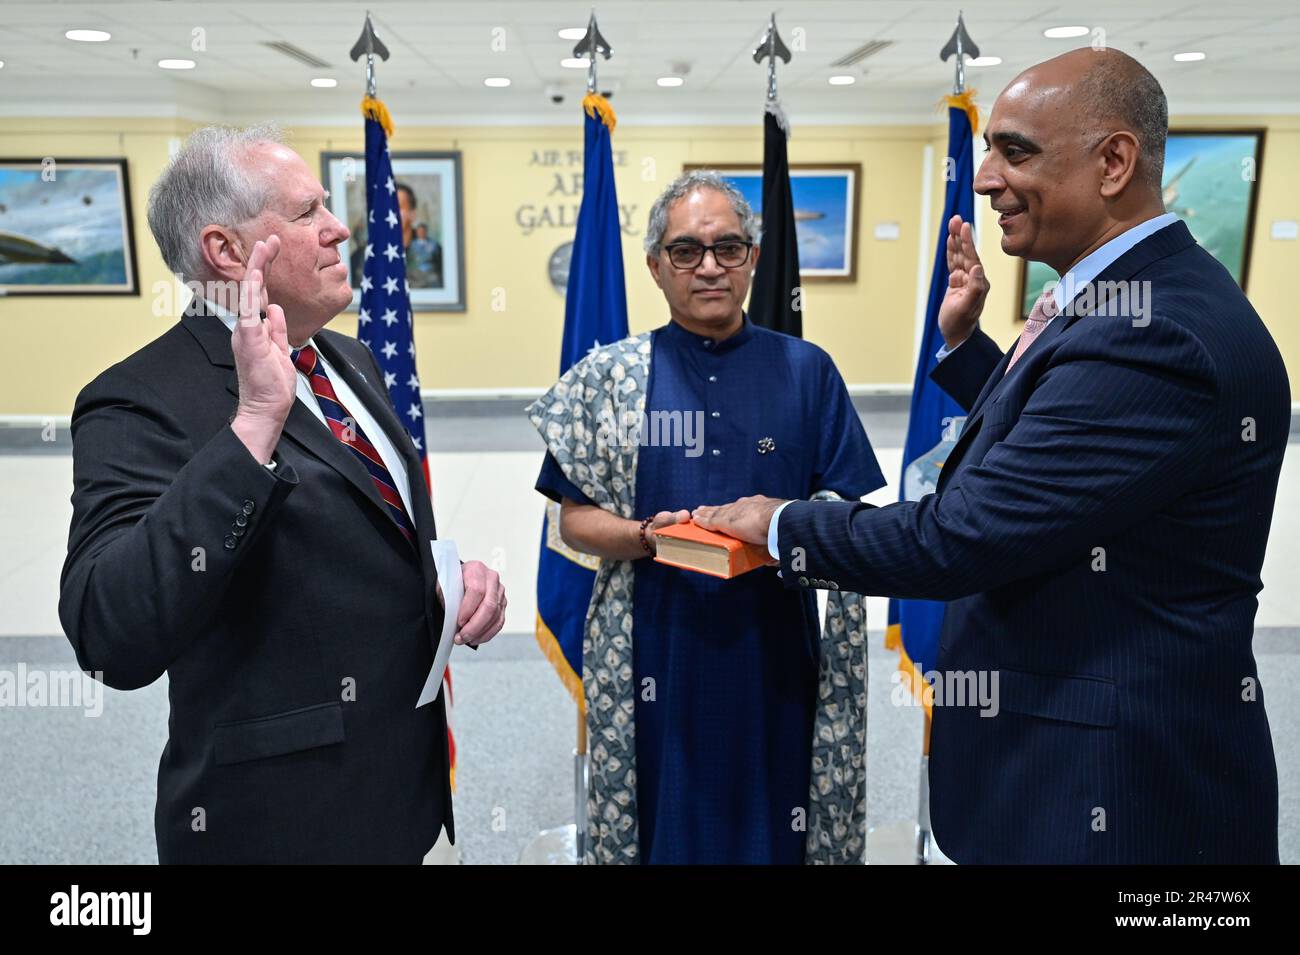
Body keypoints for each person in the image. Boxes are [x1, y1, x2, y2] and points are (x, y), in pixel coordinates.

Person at [693, 48, 1286, 864]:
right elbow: (1070, 453)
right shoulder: (1132, 300)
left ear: (1113, 162)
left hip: (1112, 793)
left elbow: (962, 535)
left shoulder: (1155, 335)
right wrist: (972, 350)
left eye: (1015, 150)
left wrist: (783, 524)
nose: (982, 179)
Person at [59, 124, 505, 864]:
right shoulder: (138, 398)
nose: (339, 229)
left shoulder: (347, 355)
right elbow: (111, 634)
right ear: (226, 251)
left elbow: (366, 537)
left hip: (400, 793)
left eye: (328, 207)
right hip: (281, 822)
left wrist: (448, 585)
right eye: (306, 214)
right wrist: (253, 427)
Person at [529, 170, 885, 864]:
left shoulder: (808, 370)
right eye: (687, 250)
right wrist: (642, 536)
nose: (711, 266)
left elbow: (851, 512)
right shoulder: (611, 377)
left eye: (729, 247)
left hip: (775, 645)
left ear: (753, 257)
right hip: (653, 648)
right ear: (656, 266)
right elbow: (573, 521)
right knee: (665, 818)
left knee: (777, 814)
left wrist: (790, 524)